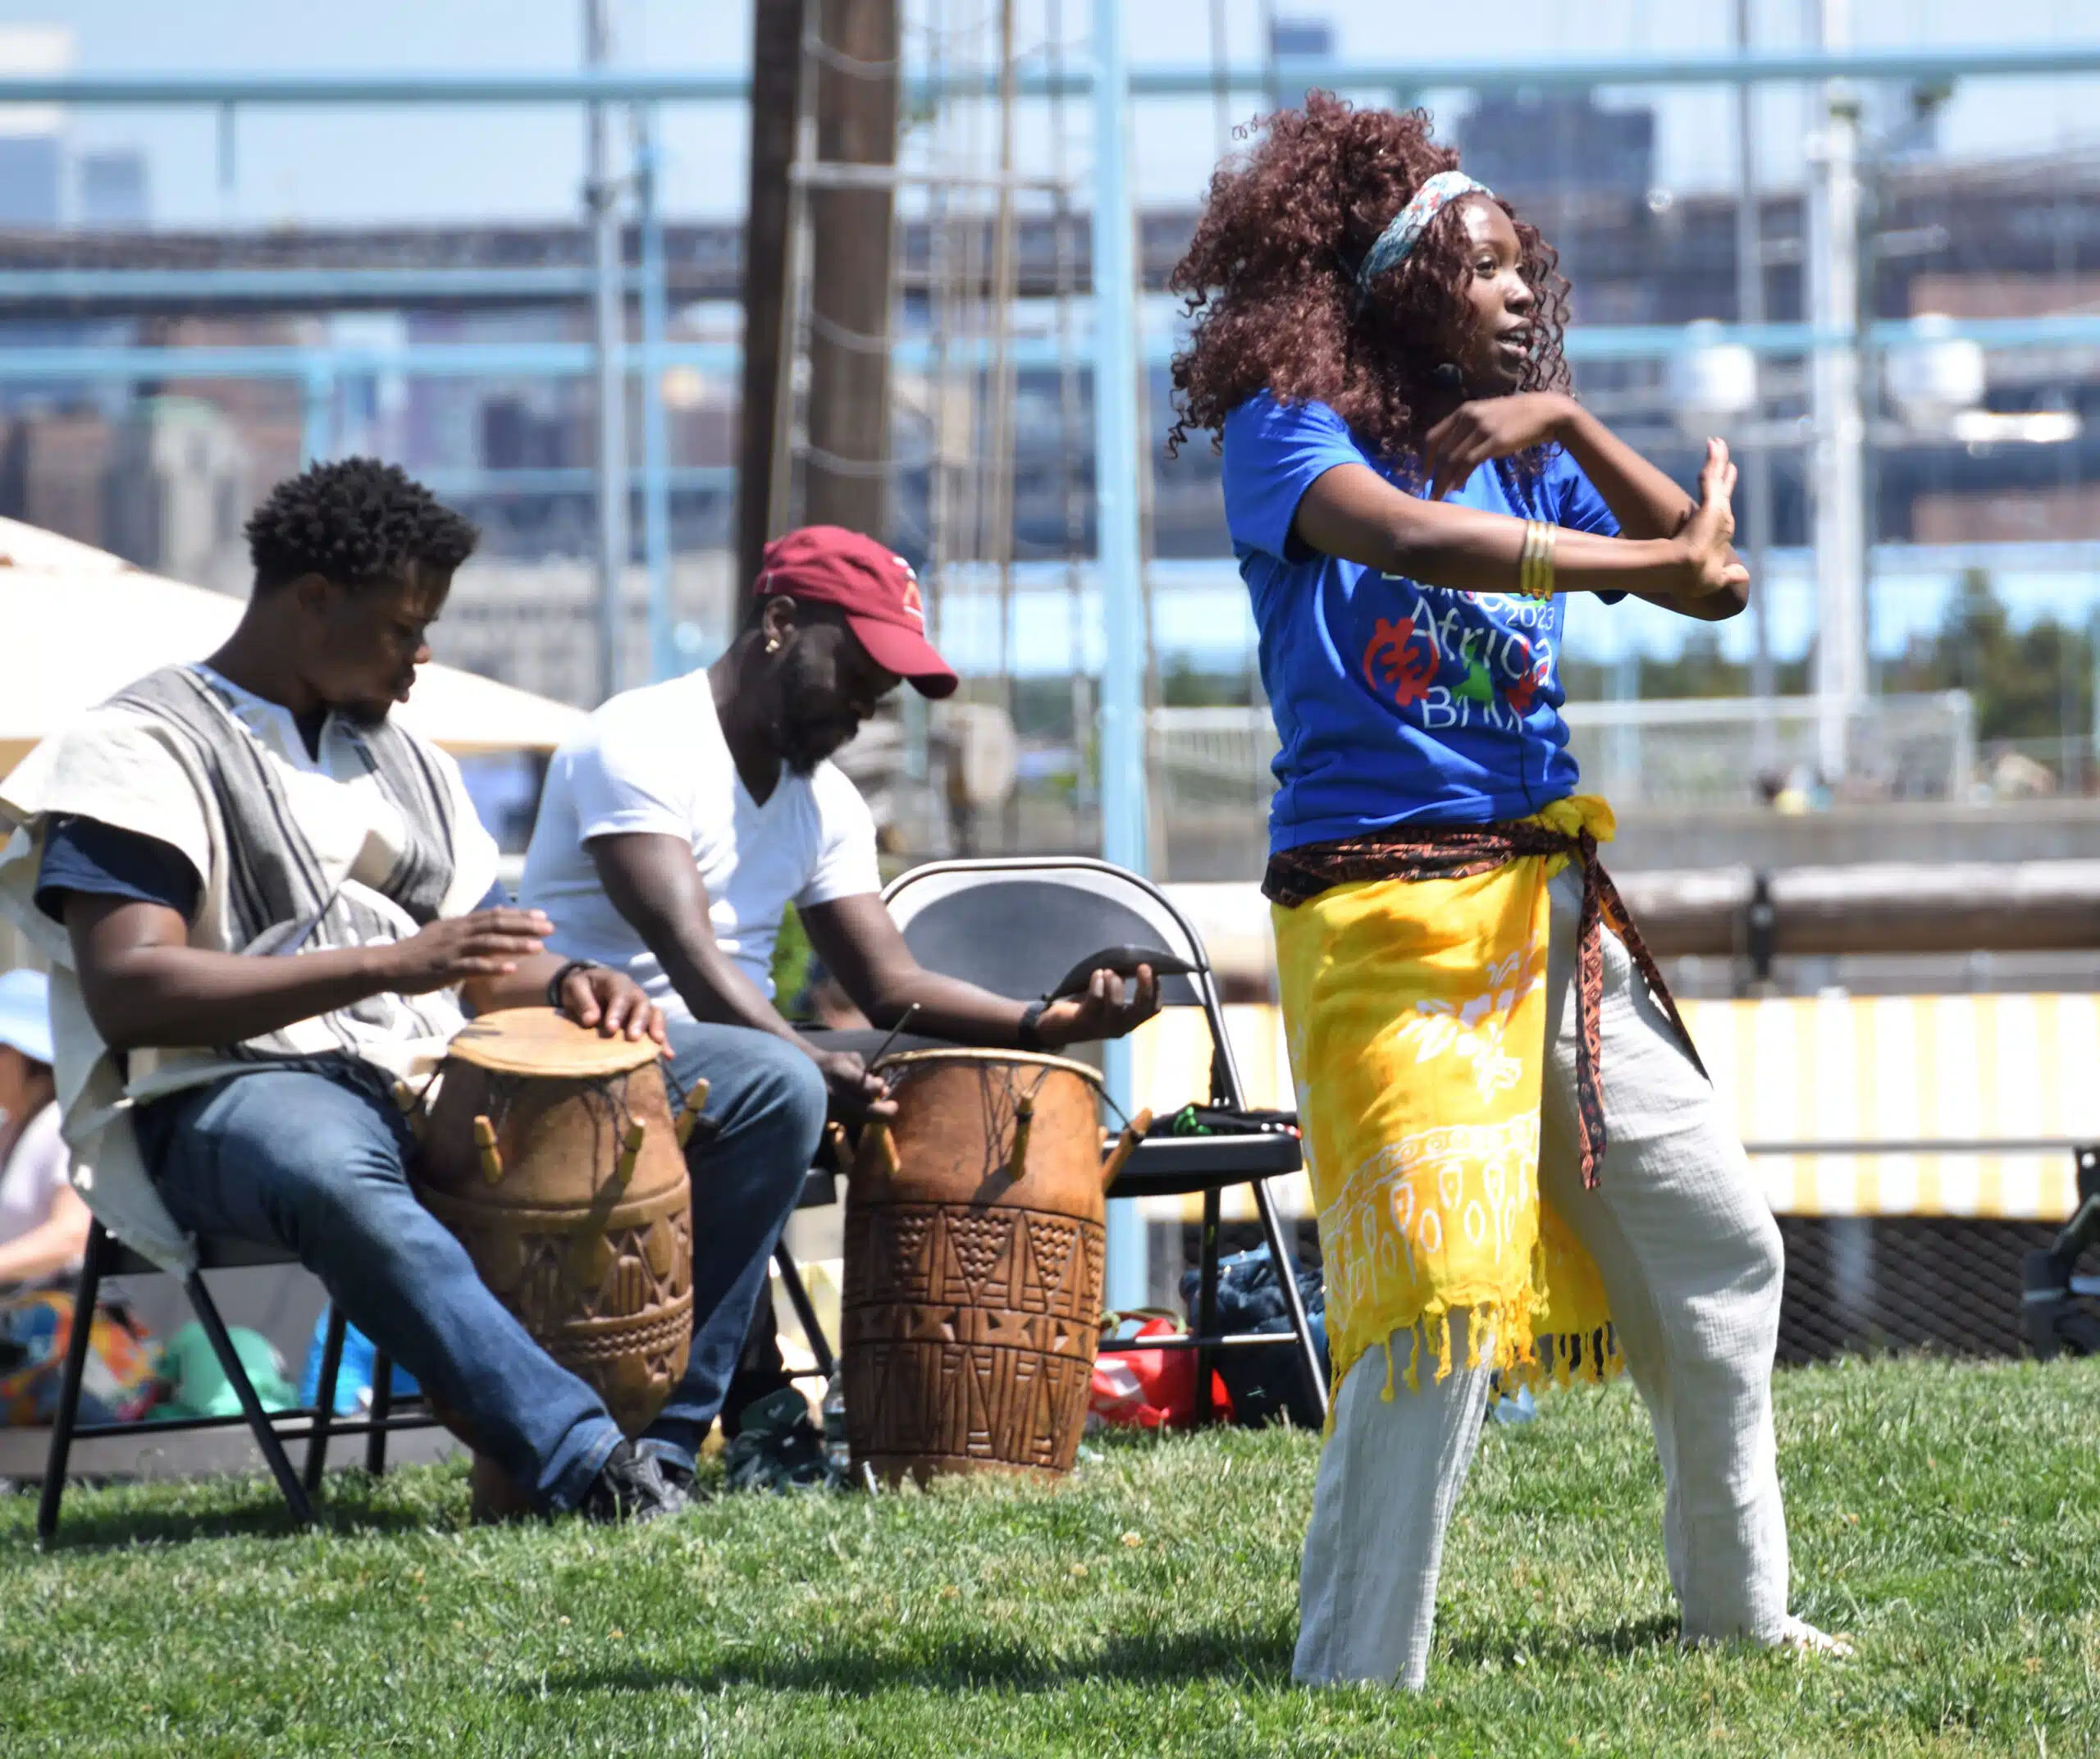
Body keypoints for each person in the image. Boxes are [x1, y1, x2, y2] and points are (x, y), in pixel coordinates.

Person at [1165, 96, 1845, 1688]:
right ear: (1405, 292)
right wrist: (1639, 565)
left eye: (1521, 264)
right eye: (1481, 272)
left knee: (1714, 1246)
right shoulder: (1290, 428)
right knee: (1433, 1299)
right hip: (1389, 921)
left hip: (1550, 912)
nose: (1518, 289)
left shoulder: (1519, 453)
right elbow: (1412, 540)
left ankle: (1740, 1618)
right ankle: (1353, 1680)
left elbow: (1712, 575)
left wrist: (1558, 421)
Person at [0, 458, 687, 1520]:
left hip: (414, 1080)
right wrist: (392, 965)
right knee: (329, 1161)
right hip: (217, 1099)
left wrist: (579, 986)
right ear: (313, 599)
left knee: (752, 1088)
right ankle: (591, 1467)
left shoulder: (410, 762)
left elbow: (479, 964)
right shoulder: (136, 748)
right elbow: (133, 990)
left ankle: (676, 1445)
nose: (422, 654)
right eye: (404, 626)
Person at [518, 523, 1160, 1490]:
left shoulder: (825, 802)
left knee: (943, 1082)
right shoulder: (637, 738)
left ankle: (923, 1397)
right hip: (585, 1048)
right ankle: (685, 1438)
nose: (871, 702)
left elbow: (891, 986)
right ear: (780, 622)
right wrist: (799, 1061)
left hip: (725, 1053)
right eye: (858, 667)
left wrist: (1045, 1022)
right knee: (779, 1080)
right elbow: (691, 957)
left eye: (885, 684)